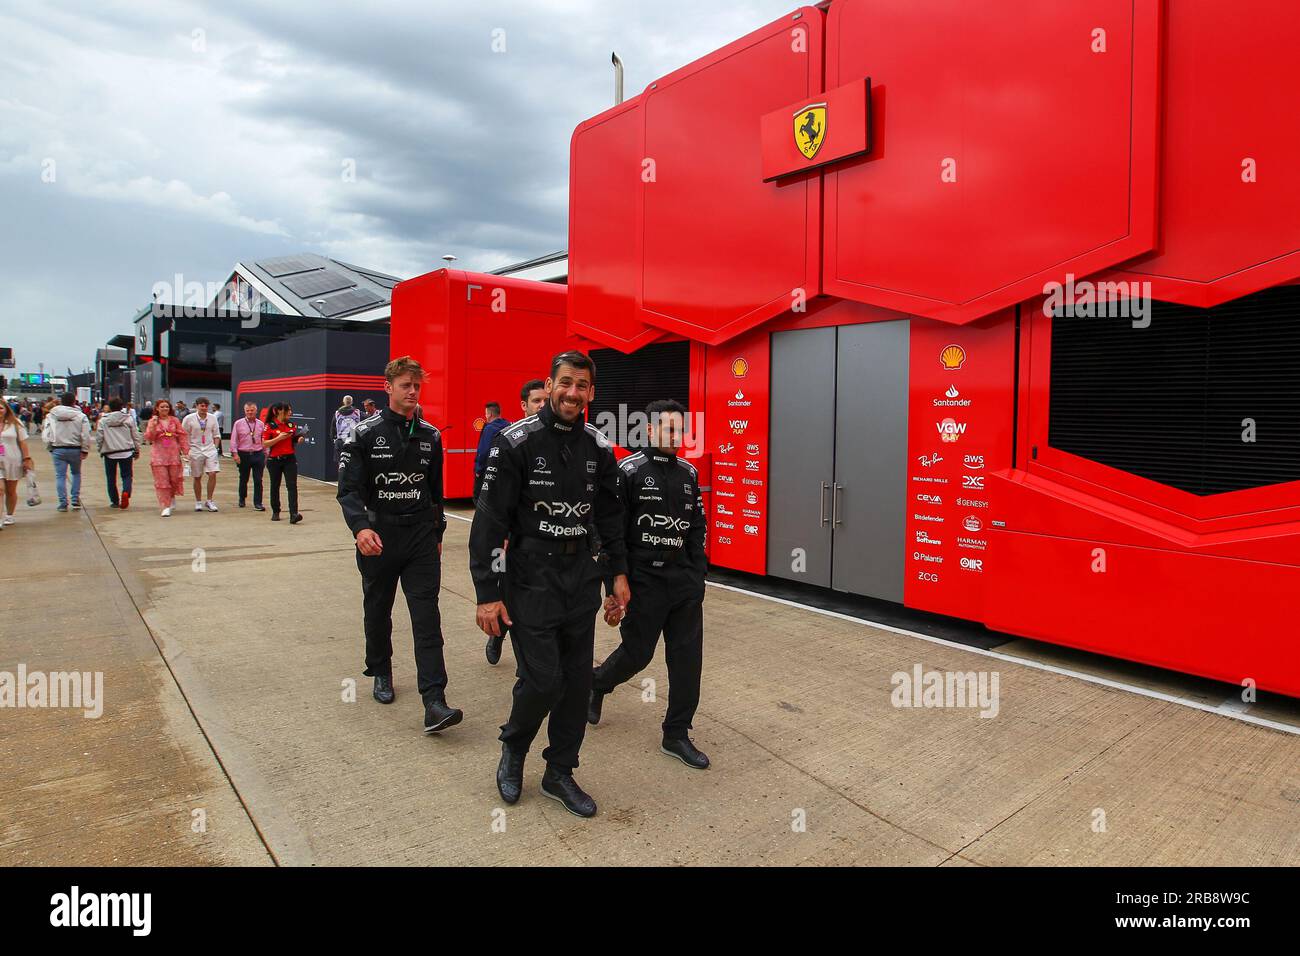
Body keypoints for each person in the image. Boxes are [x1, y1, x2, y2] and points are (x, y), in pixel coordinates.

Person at [469, 351, 629, 818]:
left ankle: (560, 771)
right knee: (542, 679)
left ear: (592, 393)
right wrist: (487, 592)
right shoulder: (515, 442)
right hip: (529, 580)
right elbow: (489, 523)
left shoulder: (599, 447)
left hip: (579, 579)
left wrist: (616, 575)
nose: (572, 393)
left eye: (582, 385)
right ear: (549, 383)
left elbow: (609, 517)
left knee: (577, 685)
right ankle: (514, 749)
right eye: (565, 383)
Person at [337, 356, 461, 733]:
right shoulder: (362, 433)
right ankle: (381, 668)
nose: (412, 392)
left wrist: (437, 533)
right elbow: (348, 491)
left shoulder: (430, 435)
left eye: (417, 386)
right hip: (379, 538)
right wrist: (360, 529)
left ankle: (434, 700)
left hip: (421, 538)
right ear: (387, 387)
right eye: (405, 385)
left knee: (427, 618)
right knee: (378, 610)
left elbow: (435, 493)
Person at [587, 400, 710, 769]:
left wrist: (697, 574)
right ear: (651, 431)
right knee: (638, 654)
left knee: (687, 661)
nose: (675, 436)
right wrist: (614, 582)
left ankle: (676, 733)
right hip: (644, 581)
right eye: (668, 429)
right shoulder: (629, 471)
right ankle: (597, 683)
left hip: (684, 583)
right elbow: (611, 533)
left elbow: (696, 528)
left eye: (680, 430)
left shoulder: (688, 473)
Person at [482, 379, 547, 667]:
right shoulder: (507, 440)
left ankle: (528, 663)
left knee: (534, 602)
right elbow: (486, 490)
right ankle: (498, 634)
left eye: (546, 400)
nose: (542, 406)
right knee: (507, 589)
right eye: (536, 401)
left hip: (544, 541)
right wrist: (501, 534)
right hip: (509, 540)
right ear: (523, 406)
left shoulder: (558, 441)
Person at [42, 393, 91, 512]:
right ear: (74, 402)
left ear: (61, 401)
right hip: (75, 448)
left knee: (60, 476)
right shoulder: (81, 416)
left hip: (58, 448)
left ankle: (63, 502)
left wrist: (50, 446)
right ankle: (75, 498)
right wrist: (85, 449)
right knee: (76, 474)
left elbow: (47, 433)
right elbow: (85, 434)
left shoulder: (51, 416)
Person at [94, 398, 141, 510]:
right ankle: (126, 492)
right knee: (127, 475)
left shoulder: (103, 420)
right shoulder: (128, 418)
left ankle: (114, 501)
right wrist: (137, 449)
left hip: (110, 452)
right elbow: (135, 435)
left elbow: (99, 437)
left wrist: (100, 449)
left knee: (111, 478)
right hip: (126, 451)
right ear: (122, 407)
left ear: (109, 407)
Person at [144, 399, 188, 516]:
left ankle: (172, 496)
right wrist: (153, 426)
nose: (165, 409)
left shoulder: (175, 421)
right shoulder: (153, 421)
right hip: (158, 455)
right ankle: (165, 505)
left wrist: (186, 451)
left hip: (173, 454)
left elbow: (182, 436)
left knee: (174, 479)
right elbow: (149, 437)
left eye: (167, 407)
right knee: (162, 480)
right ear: (157, 408)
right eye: (162, 407)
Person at [263, 403, 304, 523]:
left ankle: (294, 514)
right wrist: (278, 438)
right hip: (274, 460)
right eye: (287, 410)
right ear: (278, 411)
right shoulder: (270, 425)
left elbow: (293, 438)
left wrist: (298, 439)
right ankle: (276, 511)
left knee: (292, 486)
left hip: (289, 459)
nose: (290, 412)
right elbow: (265, 443)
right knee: (275, 486)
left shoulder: (291, 424)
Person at [181, 397, 221, 512]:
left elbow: (216, 434)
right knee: (197, 476)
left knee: (213, 473)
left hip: (210, 449)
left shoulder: (212, 418)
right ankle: (198, 501)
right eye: (201, 406)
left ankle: (209, 500)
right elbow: (184, 435)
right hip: (195, 449)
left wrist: (215, 448)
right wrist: (186, 451)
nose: (204, 408)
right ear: (197, 406)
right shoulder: (189, 418)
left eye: (205, 406)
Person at [0, 402, 34, 525]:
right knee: (0, 489)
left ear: (6, 409)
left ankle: (9, 515)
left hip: (12, 460)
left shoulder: (15, 423)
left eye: (1, 408)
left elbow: (23, 443)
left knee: (10, 490)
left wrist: (26, 458)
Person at [230, 402, 267, 510]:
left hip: (258, 454)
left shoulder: (260, 424)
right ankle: (242, 498)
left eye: (252, 410)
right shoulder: (238, 423)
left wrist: (266, 454)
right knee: (243, 478)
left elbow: (263, 439)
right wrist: (235, 454)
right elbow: (234, 440)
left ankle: (258, 502)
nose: (250, 412)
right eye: (248, 410)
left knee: (258, 479)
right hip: (244, 454)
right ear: (245, 411)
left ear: (256, 411)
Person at [332, 395, 362, 471]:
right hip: (352, 440)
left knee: (341, 464)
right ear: (351, 402)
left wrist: (334, 438)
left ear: (343, 402)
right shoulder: (358, 413)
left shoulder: (337, 413)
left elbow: (333, 428)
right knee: (353, 462)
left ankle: (341, 479)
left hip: (340, 440)